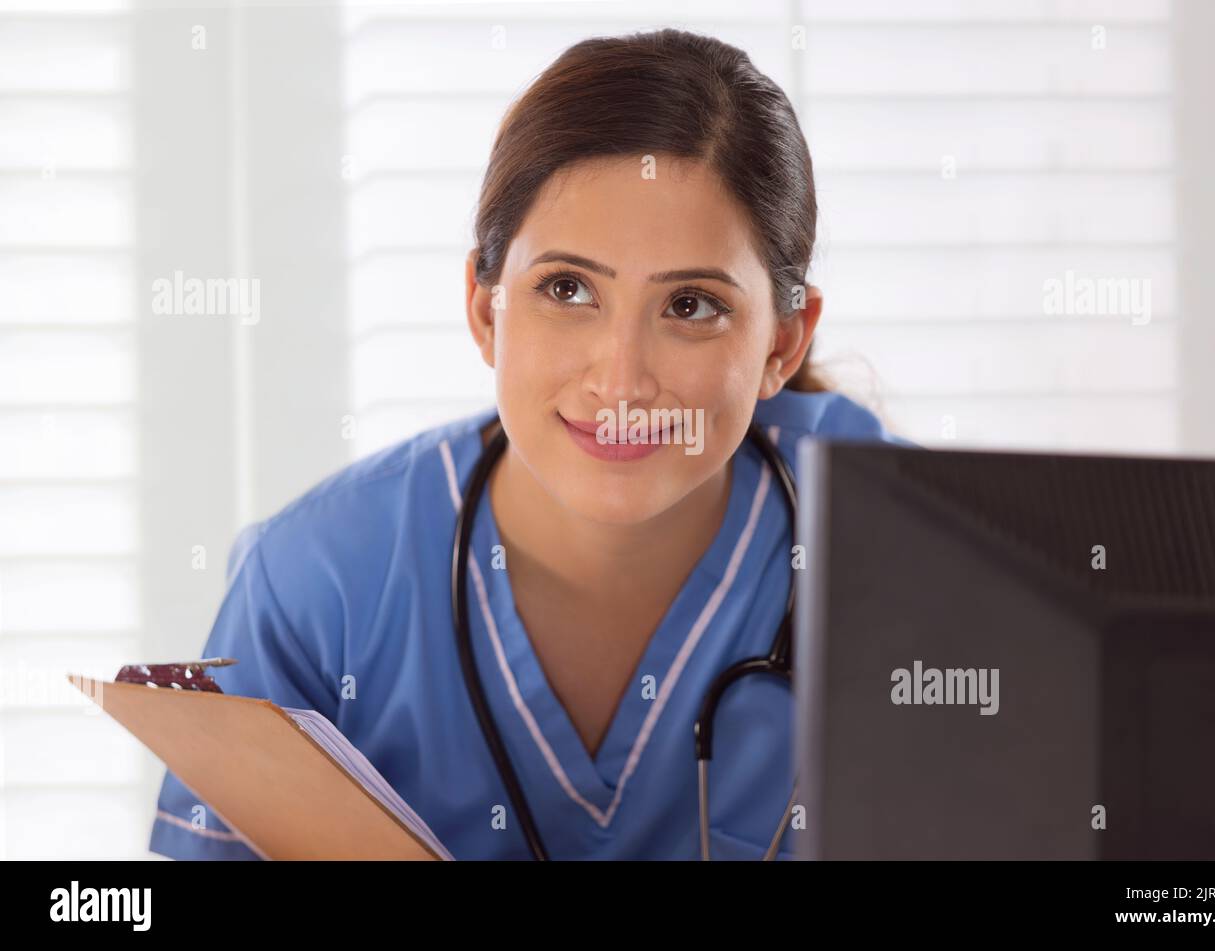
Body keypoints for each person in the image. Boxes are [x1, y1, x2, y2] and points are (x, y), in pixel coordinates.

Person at [148, 27, 913, 861]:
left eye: (690, 305)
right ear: (485, 309)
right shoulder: (317, 585)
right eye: (567, 288)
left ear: (782, 343)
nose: (621, 383)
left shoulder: (898, 555)